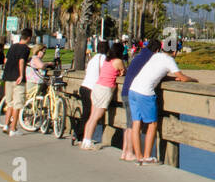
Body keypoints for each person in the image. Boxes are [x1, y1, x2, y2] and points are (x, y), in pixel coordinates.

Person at [127, 37, 196, 165]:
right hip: (145, 92)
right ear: (175, 51)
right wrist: (193, 80)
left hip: (133, 90)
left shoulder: (156, 56)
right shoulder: (169, 60)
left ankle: (139, 156)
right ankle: (147, 156)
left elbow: (158, 73)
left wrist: (170, 78)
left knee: (136, 123)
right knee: (152, 124)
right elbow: (182, 77)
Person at [80, 43, 126, 151]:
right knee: (96, 117)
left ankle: (85, 140)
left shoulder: (107, 60)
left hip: (97, 87)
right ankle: (87, 142)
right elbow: (123, 72)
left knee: (92, 117)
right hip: (105, 90)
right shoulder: (118, 61)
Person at [119, 38, 156, 161]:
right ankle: (129, 152)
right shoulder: (150, 58)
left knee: (129, 123)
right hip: (133, 92)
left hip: (125, 91)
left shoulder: (140, 55)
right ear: (157, 49)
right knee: (132, 125)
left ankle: (124, 152)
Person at [1, 29, 32, 136]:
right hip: (18, 79)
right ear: (28, 38)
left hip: (8, 77)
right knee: (17, 105)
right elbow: (21, 61)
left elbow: (6, 60)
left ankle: (6, 125)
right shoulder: (26, 49)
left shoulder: (13, 46)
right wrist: (21, 75)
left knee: (9, 103)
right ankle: (13, 129)